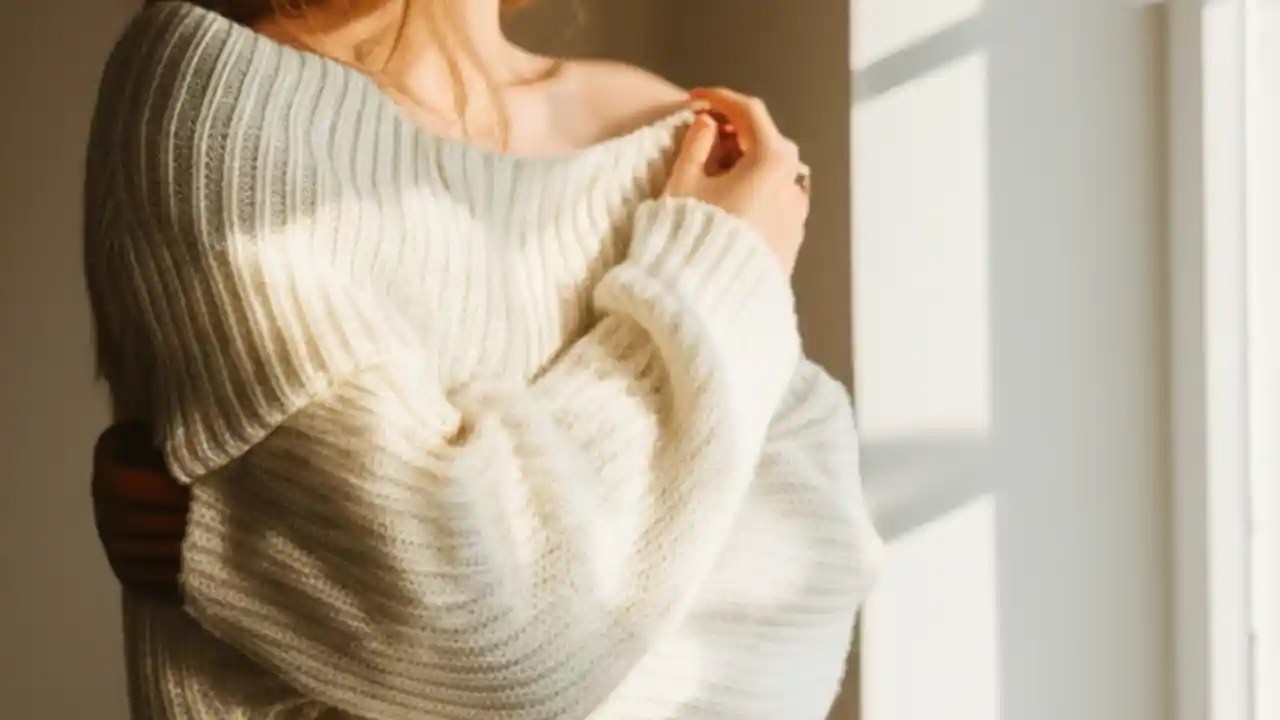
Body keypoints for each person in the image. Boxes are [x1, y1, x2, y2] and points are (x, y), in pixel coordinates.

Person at [84, 0, 885, 717]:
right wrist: (719, 273)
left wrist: (264, 558)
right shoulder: (215, 93)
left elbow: (787, 615)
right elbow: (482, 624)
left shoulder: (672, 137)